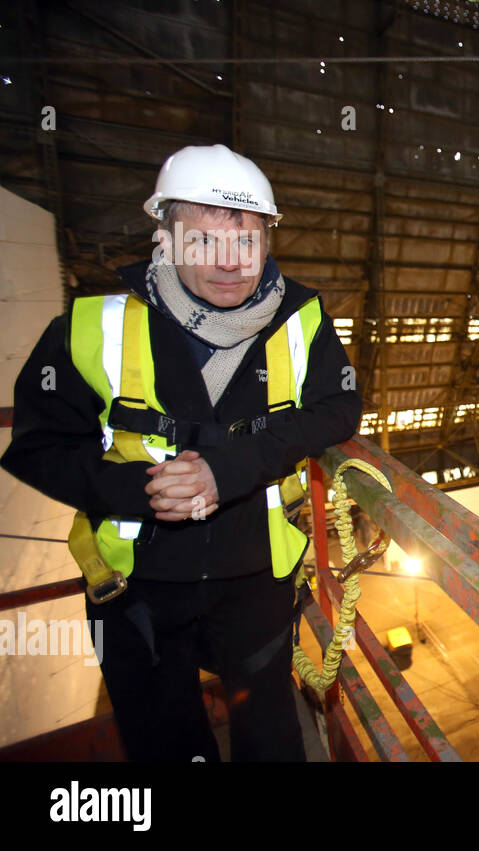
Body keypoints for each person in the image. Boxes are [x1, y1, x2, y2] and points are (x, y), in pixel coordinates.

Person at [0, 144, 362, 761]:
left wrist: (231, 469)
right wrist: (140, 490)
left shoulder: (302, 320)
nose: (232, 264)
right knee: (163, 743)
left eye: (247, 241)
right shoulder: (91, 327)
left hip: (256, 575)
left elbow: (338, 407)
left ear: (268, 239)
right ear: (163, 237)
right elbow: (40, 447)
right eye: (203, 241)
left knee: (270, 738)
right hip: (135, 585)